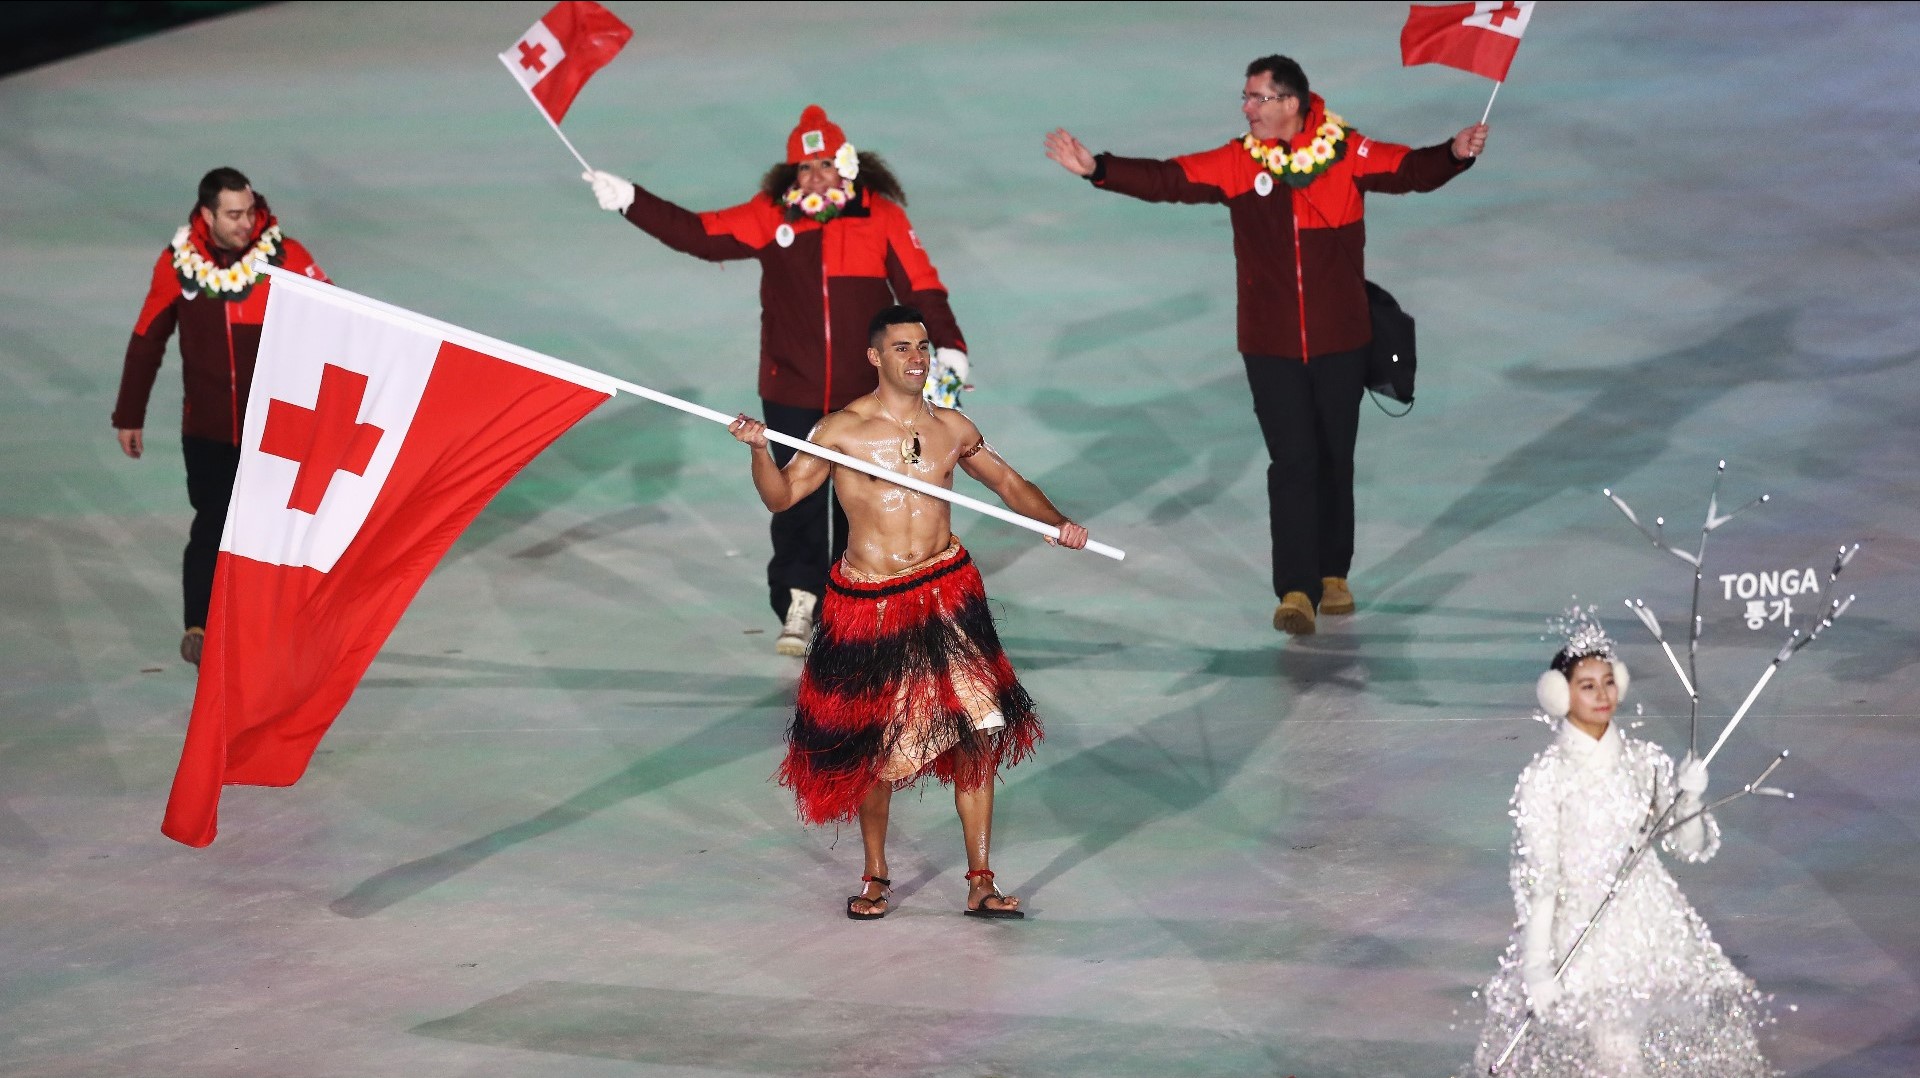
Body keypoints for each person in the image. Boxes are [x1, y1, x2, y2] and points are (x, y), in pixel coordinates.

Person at [1043, 54, 1486, 636]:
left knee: (1335, 458)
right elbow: (1170, 178)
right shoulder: (1238, 162)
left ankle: (1334, 573)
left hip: (1341, 341)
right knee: (1293, 460)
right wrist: (1098, 168)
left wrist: (1452, 153)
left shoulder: (1346, 153)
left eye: (1258, 98)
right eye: (1246, 97)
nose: (1247, 108)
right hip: (1269, 347)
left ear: (1291, 103)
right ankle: (1296, 589)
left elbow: (1408, 169)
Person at [727, 305, 1089, 920]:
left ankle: (981, 879)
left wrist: (1058, 523)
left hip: (947, 591)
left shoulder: (952, 426)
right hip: (870, 601)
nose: (917, 358)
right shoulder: (840, 431)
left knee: (978, 730)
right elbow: (782, 497)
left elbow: (1008, 483)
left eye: (923, 347)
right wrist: (761, 450)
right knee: (875, 746)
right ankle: (875, 876)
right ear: (875, 357)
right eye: (902, 348)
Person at [586, 105, 971, 657]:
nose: (814, 177)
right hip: (791, 389)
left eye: (824, 165)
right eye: (803, 169)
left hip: (864, 397)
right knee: (796, 503)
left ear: (846, 165)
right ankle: (800, 601)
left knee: (866, 504)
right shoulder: (771, 216)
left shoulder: (880, 217)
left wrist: (949, 345)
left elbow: (922, 286)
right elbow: (701, 234)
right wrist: (631, 200)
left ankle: (864, 612)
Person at [1467, 611, 1772, 1077]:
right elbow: (1540, 879)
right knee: (1618, 1053)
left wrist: (1690, 797)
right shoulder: (1547, 777)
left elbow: (1688, 846)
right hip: (1584, 931)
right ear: (1559, 694)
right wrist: (1537, 965)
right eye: (1587, 686)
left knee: (1632, 1050)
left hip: (1649, 927)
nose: (1603, 695)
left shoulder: (1644, 761)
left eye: (1609, 682)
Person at [112, 167, 328, 666]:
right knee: (212, 525)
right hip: (206, 430)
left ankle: (273, 631)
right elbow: (147, 339)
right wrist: (130, 414)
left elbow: (337, 319)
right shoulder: (177, 265)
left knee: (273, 531)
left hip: (275, 428)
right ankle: (200, 628)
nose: (246, 223)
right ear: (207, 215)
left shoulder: (288, 257)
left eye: (250, 211)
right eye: (233, 215)